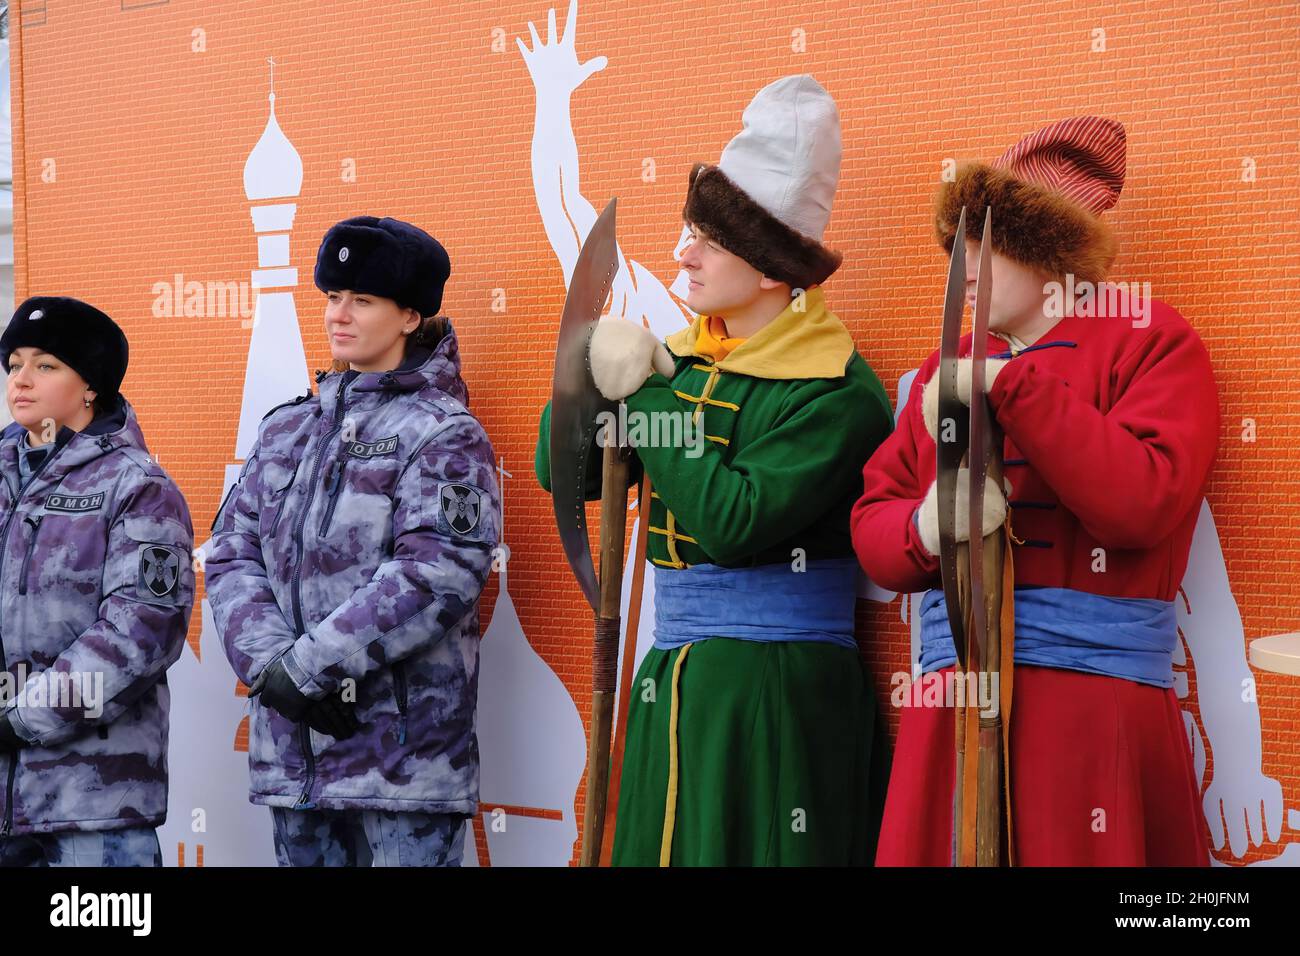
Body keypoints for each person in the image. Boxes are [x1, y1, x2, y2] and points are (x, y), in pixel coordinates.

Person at [536, 75, 894, 865]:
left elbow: (732, 523)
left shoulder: (838, 392)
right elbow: (565, 479)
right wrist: (588, 377)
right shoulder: (688, 359)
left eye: (707, 240)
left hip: (775, 693)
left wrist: (652, 391)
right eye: (686, 231)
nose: (680, 253)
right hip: (674, 679)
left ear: (770, 269)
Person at [852, 116, 1217, 865]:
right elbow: (874, 527)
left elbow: (1138, 504)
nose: (964, 262)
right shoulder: (939, 366)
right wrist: (927, 526)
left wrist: (1013, 388)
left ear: (1051, 251)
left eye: (987, 240)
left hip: (1092, 713)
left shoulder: (1151, 338)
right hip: (949, 715)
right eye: (958, 241)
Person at [206, 216, 501, 867]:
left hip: (401, 766)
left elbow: (436, 573)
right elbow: (229, 554)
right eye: (333, 296)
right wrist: (274, 671)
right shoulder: (286, 429)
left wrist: (309, 670)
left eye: (362, 299)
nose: (339, 314)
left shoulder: (444, 433)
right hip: (296, 758)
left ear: (409, 315)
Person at [0, 296, 195, 867]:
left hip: (94, 804)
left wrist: (20, 718)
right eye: (14, 364)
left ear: (91, 386)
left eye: (46, 364)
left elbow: (142, 631)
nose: (22, 380)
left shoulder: (137, 486)